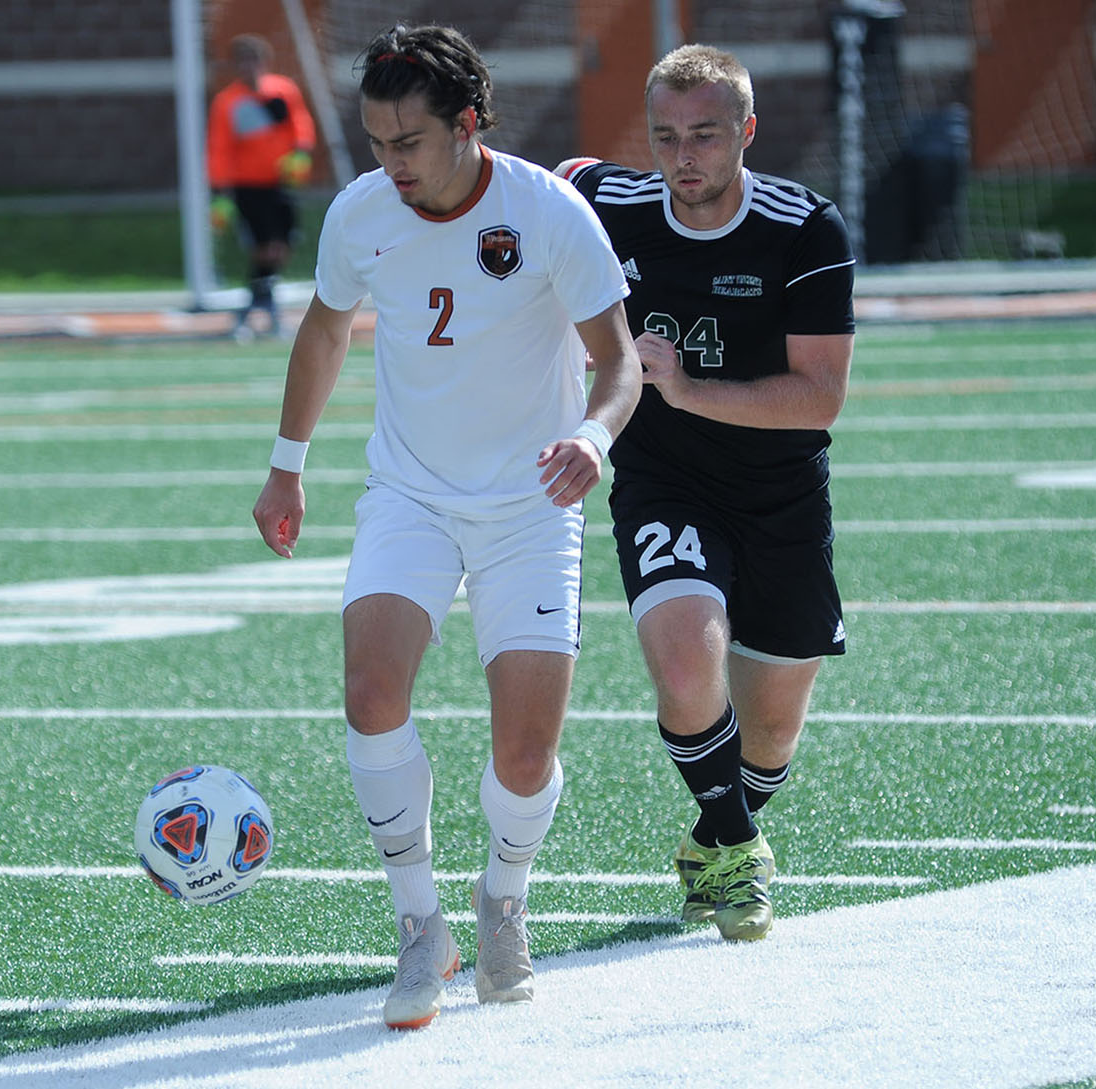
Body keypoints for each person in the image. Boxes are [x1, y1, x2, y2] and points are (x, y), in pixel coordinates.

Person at [251, 24, 641, 1029]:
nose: (391, 163)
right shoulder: (361, 212)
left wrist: (594, 437)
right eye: (378, 142)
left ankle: (503, 896)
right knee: (372, 688)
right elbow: (327, 327)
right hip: (409, 496)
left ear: (468, 124)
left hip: (531, 506)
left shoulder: (548, 211)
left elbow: (619, 360)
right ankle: (421, 925)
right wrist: (286, 467)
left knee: (524, 751)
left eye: (409, 142)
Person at [556, 44, 856, 942]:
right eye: (666, 136)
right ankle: (737, 848)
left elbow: (821, 395)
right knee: (687, 663)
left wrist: (686, 387)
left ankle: (715, 836)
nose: (685, 156)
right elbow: (522, 190)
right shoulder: (605, 202)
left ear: (747, 133)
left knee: (769, 739)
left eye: (707, 135)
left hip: (780, 494)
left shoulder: (806, 230)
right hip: (663, 478)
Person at [207, 33, 317, 339]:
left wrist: (301, 152)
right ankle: (264, 307)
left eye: (253, 60)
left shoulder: (282, 91)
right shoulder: (228, 103)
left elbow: (300, 124)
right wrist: (220, 193)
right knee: (264, 247)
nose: (249, 67)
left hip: (279, 183)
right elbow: (219, 147)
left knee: (282, 245)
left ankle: (254, 306)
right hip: (247, 185)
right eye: (242, 62)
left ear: (263, 63)